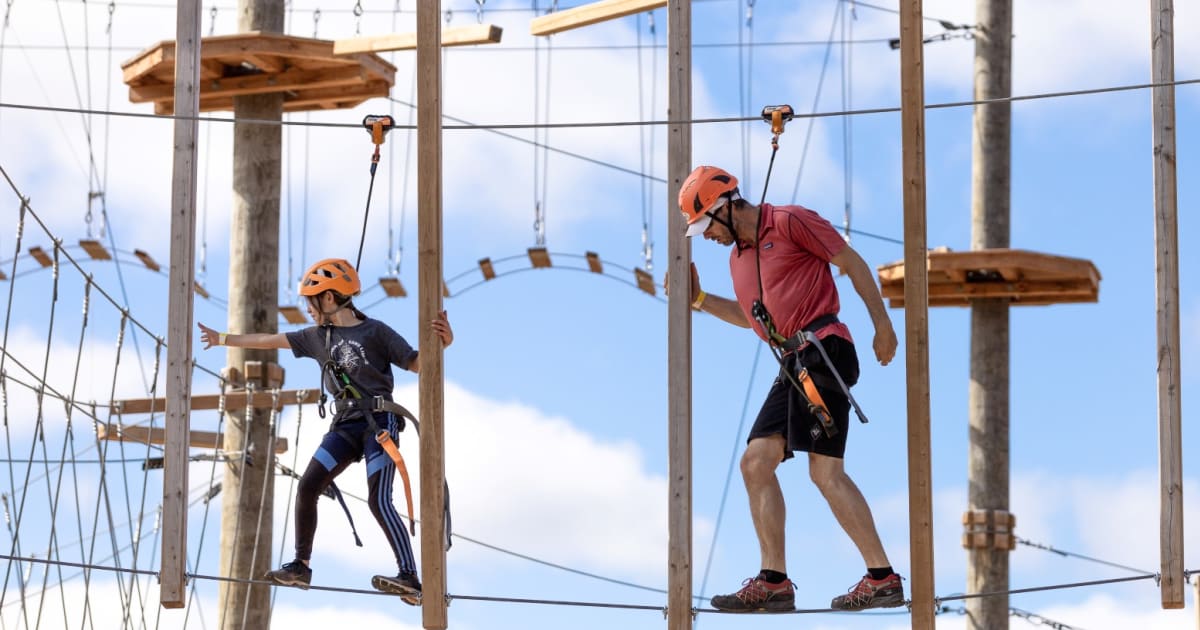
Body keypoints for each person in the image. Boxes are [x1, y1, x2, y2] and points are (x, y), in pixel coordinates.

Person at [673, 165, 903, 613]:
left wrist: (883, 324)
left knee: (824, 473)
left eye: (705, 227)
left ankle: (882, 578)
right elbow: (752, 319)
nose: (706, 237)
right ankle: (774, 582)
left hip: (825, 350)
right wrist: (698, 301)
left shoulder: (791, 221)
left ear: (725, 207)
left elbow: (850, 263)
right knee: (756, 463)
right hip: (792, 361)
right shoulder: (738, 260)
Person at [198, 258, 452, 605]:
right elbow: (269, 339)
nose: (307, 309)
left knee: (379, 500)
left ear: (330, 298)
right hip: (345, 425)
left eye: (311, 300)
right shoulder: (317, 337)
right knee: (308, 485)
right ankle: (301, 566)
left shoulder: (376, 332)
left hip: (379, 423)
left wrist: (443, 344)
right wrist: (223, 338)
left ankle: (409, 575)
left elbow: (418, 363)